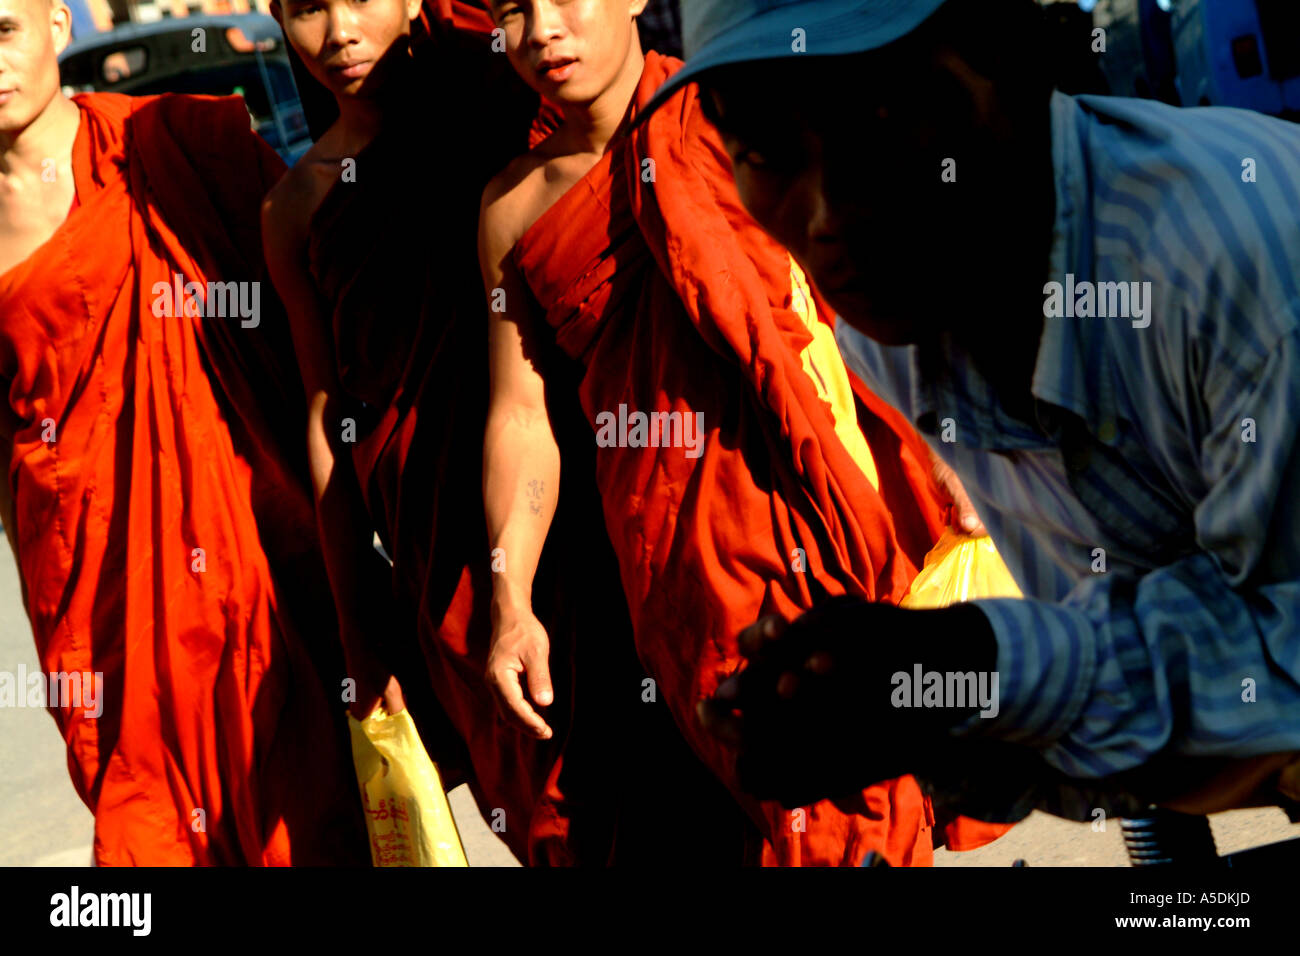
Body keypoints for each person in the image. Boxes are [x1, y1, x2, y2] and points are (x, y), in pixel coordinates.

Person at [657, 0, 1300, 821]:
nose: (829, 215)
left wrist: (973, 665)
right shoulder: (901, 316)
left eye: (879, 129)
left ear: (1002, 49)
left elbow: (1285, 654)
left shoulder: (1236, 272)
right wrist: (928, 696)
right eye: (766, 152)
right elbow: (1139, 652)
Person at [479, 0, 1010, 864]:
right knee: (795, 807)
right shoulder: (512, 207)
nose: (542, 29)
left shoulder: (740, 119)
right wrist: (511, 602)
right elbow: (521, 412)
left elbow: (867, 278)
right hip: (681, 558)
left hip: (828, 494)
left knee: (854, 811)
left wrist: (953, 438)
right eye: (511, 8)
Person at [0, 0, 367, 863]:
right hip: (94, 596)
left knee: (297, 811)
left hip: (250, 564)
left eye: (4, 31)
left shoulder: (170, 148)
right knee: (146, 828)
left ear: (58, 26)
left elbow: (309, 315)